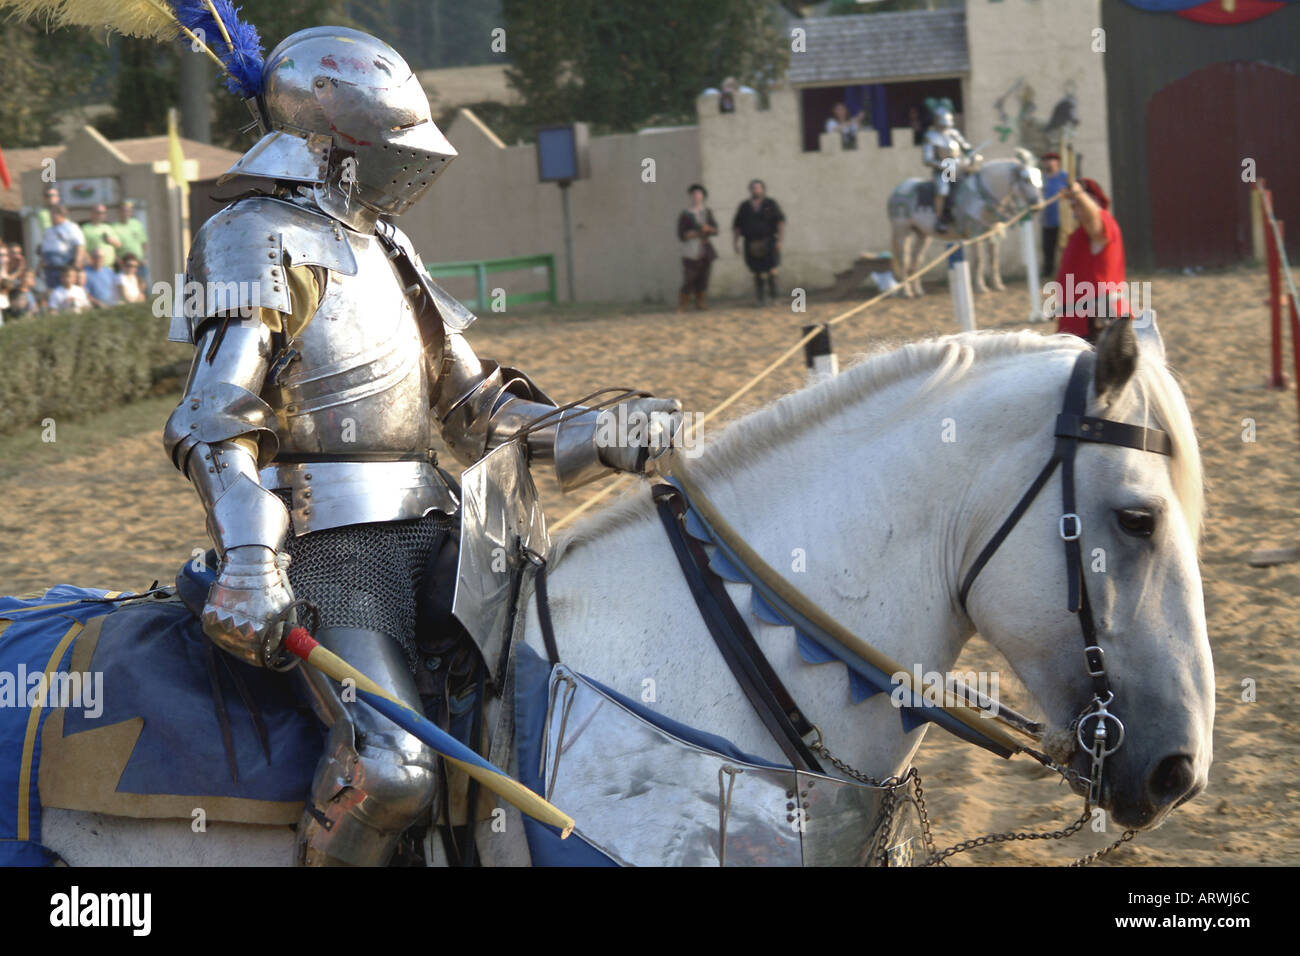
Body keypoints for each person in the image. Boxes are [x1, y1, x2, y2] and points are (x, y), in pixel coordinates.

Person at [163, 26, 681, 867]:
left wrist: (603, 429)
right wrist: (253, 555)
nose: (412, 164)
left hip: (444, 532)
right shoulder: (252, 231)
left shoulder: (387, 242)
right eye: (391, 143)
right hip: (327, 544)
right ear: (333, 146)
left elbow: (474, 407)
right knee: (391, 769)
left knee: (572, 691)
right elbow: (212, 414)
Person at [1055, 177, 1128, 343]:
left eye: (1078, 202)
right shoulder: (1081, 233)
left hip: (1098, 321)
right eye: (1072, 203)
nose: (1073, 206)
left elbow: (1095, 223)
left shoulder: (1104, 223)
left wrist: (1078, 194)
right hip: (1078, 322)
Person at [732, 179, 786, 306]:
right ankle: (760, 299)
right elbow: (737, 226)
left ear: (763, 189)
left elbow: (780, 222)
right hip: (751, 242)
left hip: (769, 240)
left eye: (758, 188)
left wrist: (780, 240)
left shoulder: (770, 204)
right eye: (753, 188)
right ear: (750, 190)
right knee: (757, 272)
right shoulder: (744, 206)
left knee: (772, 270)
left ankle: (774, 297)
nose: (756, 190)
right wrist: (735, 242)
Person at [922, 107, 973, 233]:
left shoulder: (954, 133)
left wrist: (971, 153)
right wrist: (942, 165)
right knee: (943, 190)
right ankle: (939, 219)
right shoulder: (931, 136)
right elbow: (927, 159)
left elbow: (966, 147)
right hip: (943, 168)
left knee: (971, 185)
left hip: (959, 167)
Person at [677, 184, 718, 311]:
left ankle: (700, 303)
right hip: (691, 250)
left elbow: (715, 230)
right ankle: (683, 305)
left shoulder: (707, 212)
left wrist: (708, 228)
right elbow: (681, 234)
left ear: (703, 197)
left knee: (704, 277)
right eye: (694, 194)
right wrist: (693, 234)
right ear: (691, 196)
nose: (696, 197)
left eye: (699, 194)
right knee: (689, 277)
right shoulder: (685, 214)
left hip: (705, 249)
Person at [38, 205, 85, 291]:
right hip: (49, 268)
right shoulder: (49, 230)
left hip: (64, 267)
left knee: (65, 291)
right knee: (52, 292)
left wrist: (76, 265)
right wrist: (39, 267)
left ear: (60, 214)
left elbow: (79, 246)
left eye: (52, 214)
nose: (51, 217)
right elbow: (44, 250)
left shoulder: (71, 227)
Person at [1039, 152, 1069, 276]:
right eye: (1046, 160)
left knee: (1064, 247)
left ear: (1057, 162)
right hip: (1047, 219)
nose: (1049, 162)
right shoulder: (1042, 178)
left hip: (1063, 219)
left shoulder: (1064, 177)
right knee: (1048, 248)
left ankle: (1066, 272)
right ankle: (1048, 272)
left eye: (1051, 159)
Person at [113, 201, 148, 283]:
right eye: (123, 211)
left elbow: (144, 242)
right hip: (123, 265)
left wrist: (144, 257)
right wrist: (119, 261)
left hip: (139, 263)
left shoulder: (137, 224)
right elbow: (112, 248)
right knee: (126, 290)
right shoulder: (114, 226)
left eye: (128, 211)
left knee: (144, 288)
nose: (126, 213)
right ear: (119, 212)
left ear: (131, 212)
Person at [82, 204, 123, 269]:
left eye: (103, 213)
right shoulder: (85, 229)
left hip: (109, 267)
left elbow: (119, 245)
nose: (101, 215)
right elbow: (82, 249)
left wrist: (110, 240)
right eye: (99, 213)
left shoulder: (109, 228)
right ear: (92, 213)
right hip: (93, 267)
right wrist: (89, 261)